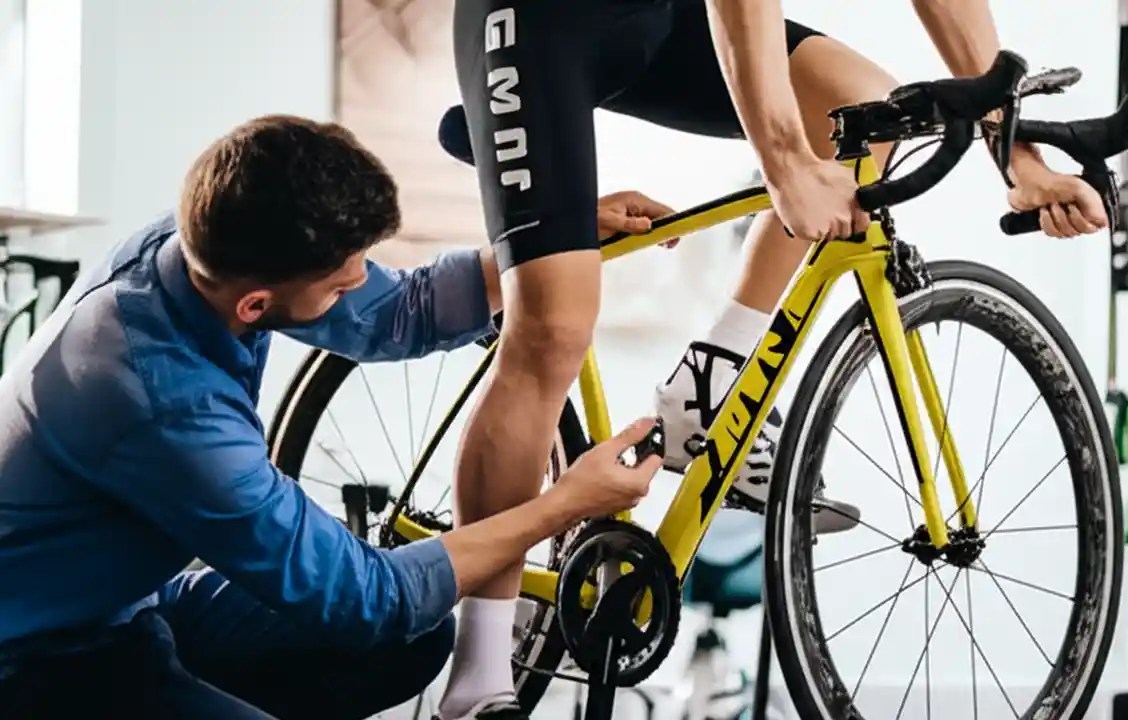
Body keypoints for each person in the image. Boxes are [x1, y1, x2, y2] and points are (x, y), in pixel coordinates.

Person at [438, 0, 1113, 718]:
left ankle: (717, 373)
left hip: (659, 18)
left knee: (869, 110)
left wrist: (1016, 158)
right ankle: (478, 679)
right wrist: (786, 158)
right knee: (552, 327)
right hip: (537, 21)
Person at [0, 115, 672, 718]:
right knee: (382, 614)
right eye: (340, 282)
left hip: (132, 605)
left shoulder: (201, 247)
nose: (359, 284)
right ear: (257, 306)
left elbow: (399, 310)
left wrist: (549, 241)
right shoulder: (163, 401)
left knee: (417, 634)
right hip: (39, 655)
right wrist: (566, 503)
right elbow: (366, 598)